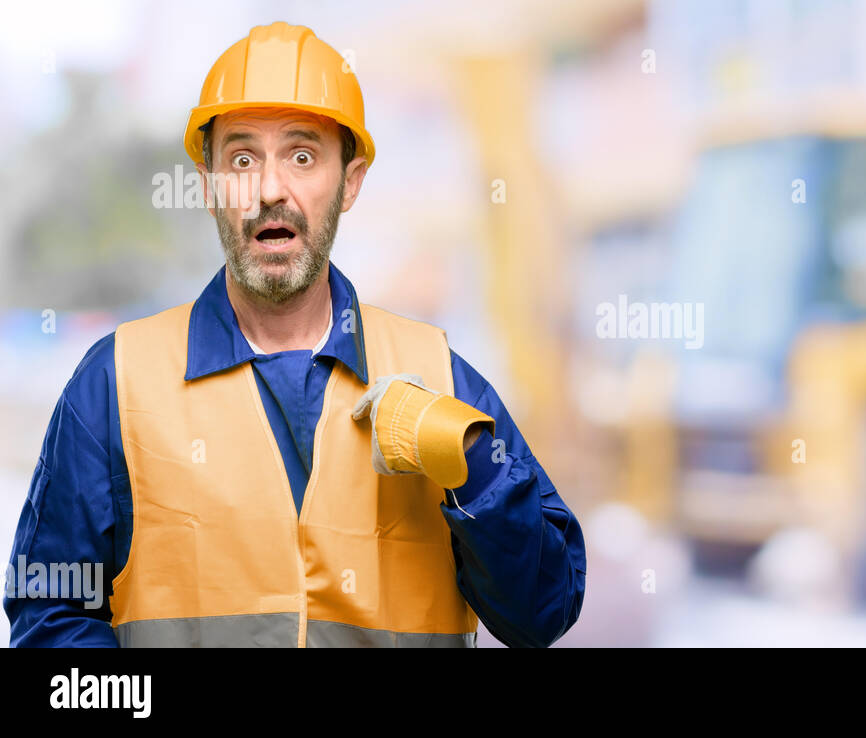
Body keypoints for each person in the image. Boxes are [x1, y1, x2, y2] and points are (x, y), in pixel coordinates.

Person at [4, 21, 585, 648]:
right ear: (209, 186)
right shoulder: (115, 384)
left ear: (351, 182)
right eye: (243, 158)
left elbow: (542, 613)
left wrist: (469, 465)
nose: (271, 190)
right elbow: (50, 619)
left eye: (302, 156)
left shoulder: (441, 378)